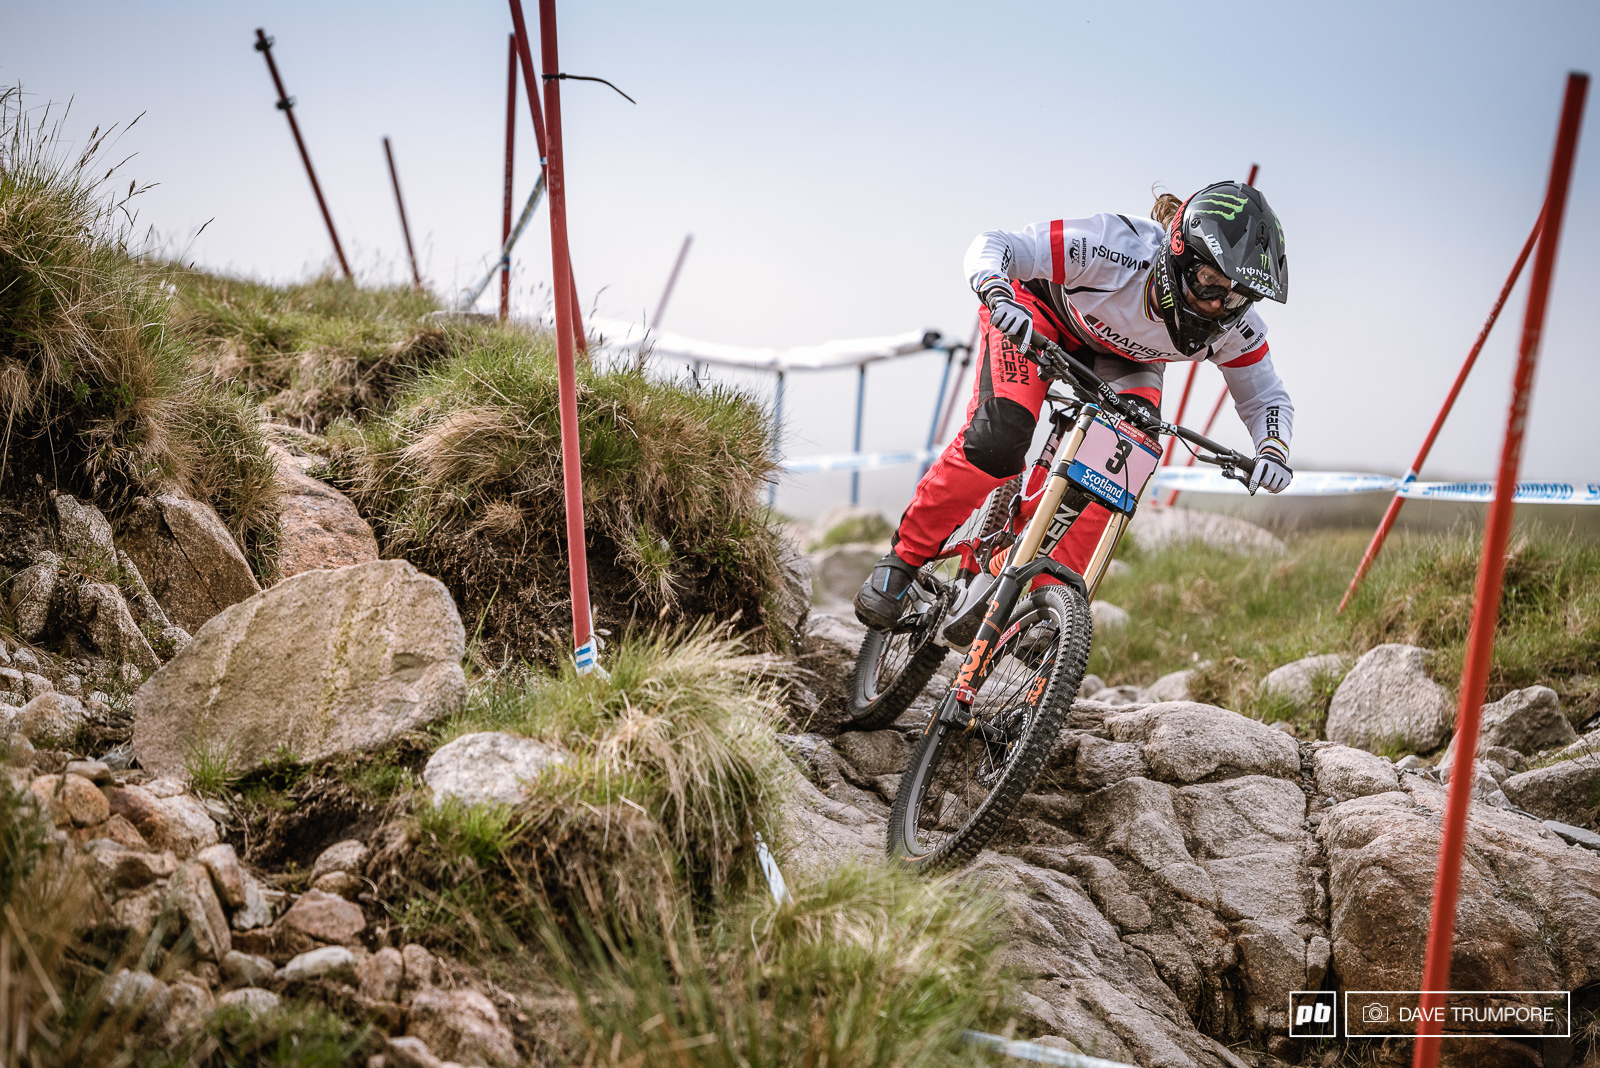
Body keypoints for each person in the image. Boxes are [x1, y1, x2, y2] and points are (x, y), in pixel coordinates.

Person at [854, 181, 1294, 630]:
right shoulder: (1113, 247)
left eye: (1236, 297)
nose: (1220, 306)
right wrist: (996, 291)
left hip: (1123, 362)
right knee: (1000, 438)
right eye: (1210, 285)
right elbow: (998, 244)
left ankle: (1047, 601)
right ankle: (904, 558)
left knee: (1117, 471)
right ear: (1179, 255)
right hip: (1037, 313)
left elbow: (1265, 396)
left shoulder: (1233, 327)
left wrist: (1273, 449)